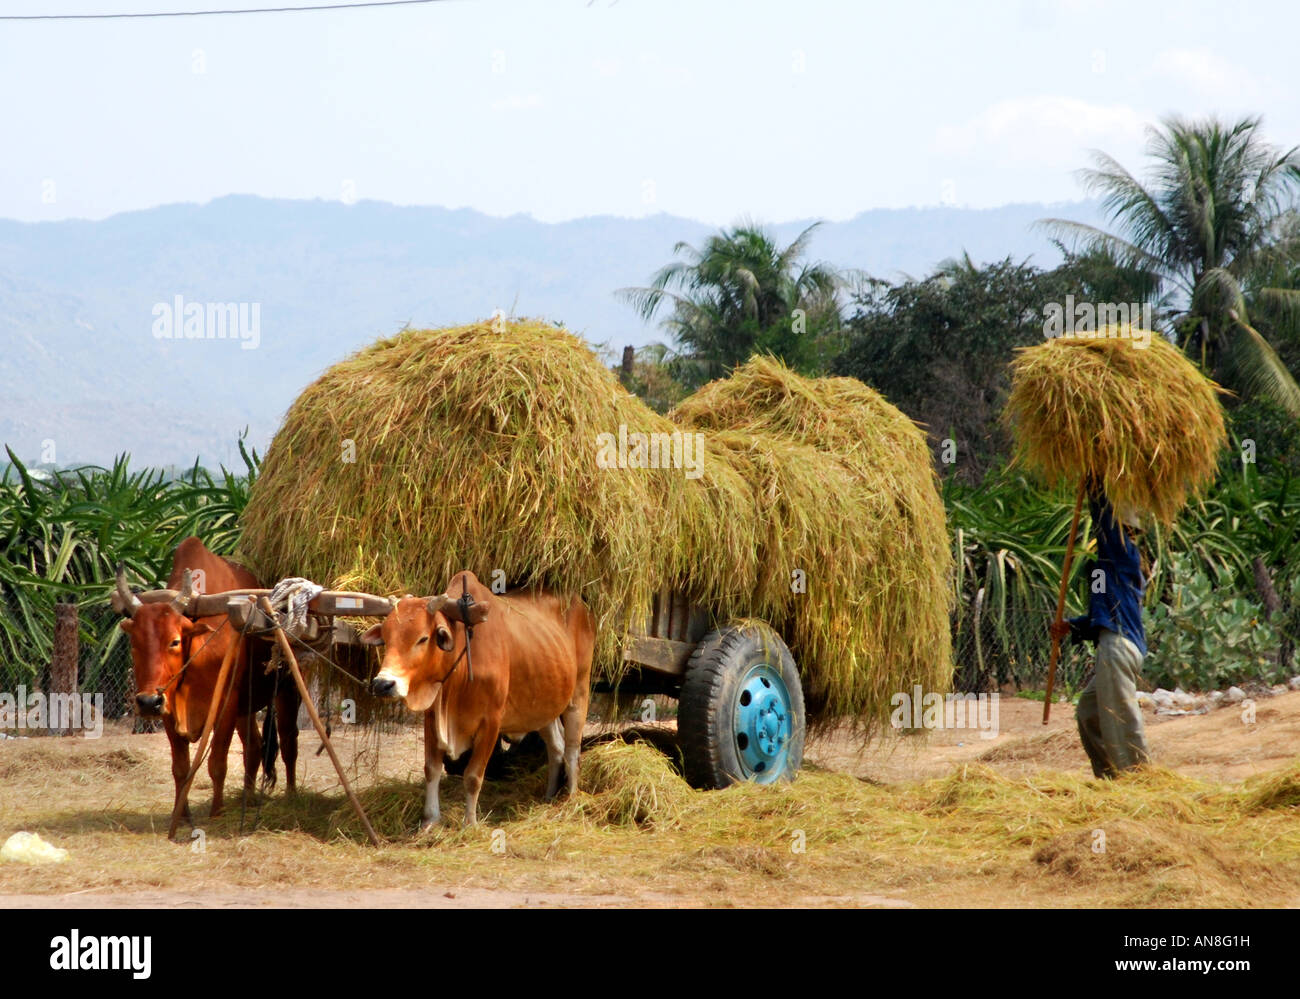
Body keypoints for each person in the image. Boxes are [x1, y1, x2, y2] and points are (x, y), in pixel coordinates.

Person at [1049, 479, 1151, 778]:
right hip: (1114, 644)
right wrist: (1071, 626)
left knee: (1119, 717)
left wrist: (1094, 482)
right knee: (1090, 714)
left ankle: (1139, 778)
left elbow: (1105, 520)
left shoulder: (1123, 553)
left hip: (1119, 647)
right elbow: (1100, 616)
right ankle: (1109, 778)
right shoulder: (1103, 568)